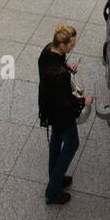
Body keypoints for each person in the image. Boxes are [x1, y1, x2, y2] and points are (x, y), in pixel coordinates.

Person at [38, 24, 93, 205]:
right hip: (61, 114)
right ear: (62, 45)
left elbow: (54, 64)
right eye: (71, 45)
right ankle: (53, 191)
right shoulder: (59, 76)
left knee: (56, 141)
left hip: (49, 108)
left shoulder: (48, 51)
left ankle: (56, 177)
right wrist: (83, 101)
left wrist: (66, 64)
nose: (72, 47)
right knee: (71, 144)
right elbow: (66, 103)